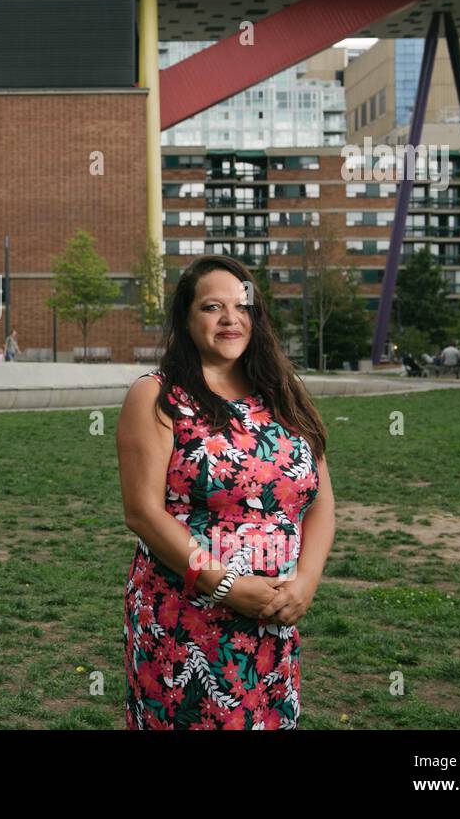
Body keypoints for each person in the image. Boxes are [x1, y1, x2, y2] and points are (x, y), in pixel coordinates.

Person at [117, 254, 336, 730]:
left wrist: (305, 583)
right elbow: (143, 513)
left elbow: (320, 504)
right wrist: (227, 586)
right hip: (186, 623)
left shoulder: (282, 394)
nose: (230, 319)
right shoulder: (157, 396)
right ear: (185, 318)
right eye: (212, 307)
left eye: (242, 306)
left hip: (272, 621)